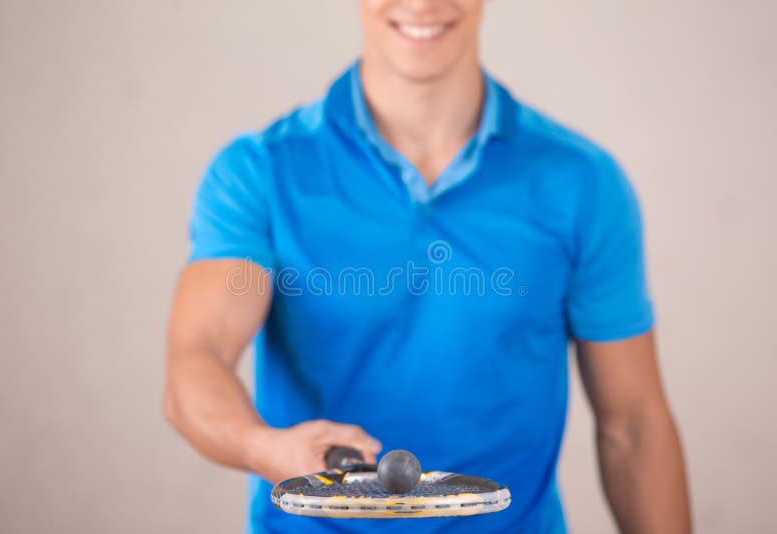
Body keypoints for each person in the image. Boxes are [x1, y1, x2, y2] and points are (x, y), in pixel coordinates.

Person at [163, 1, 691, 532]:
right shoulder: (259, 173)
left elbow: (634, 428)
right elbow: (196, 360)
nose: (422, 2)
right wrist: (263, 448)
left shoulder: (582, 184)